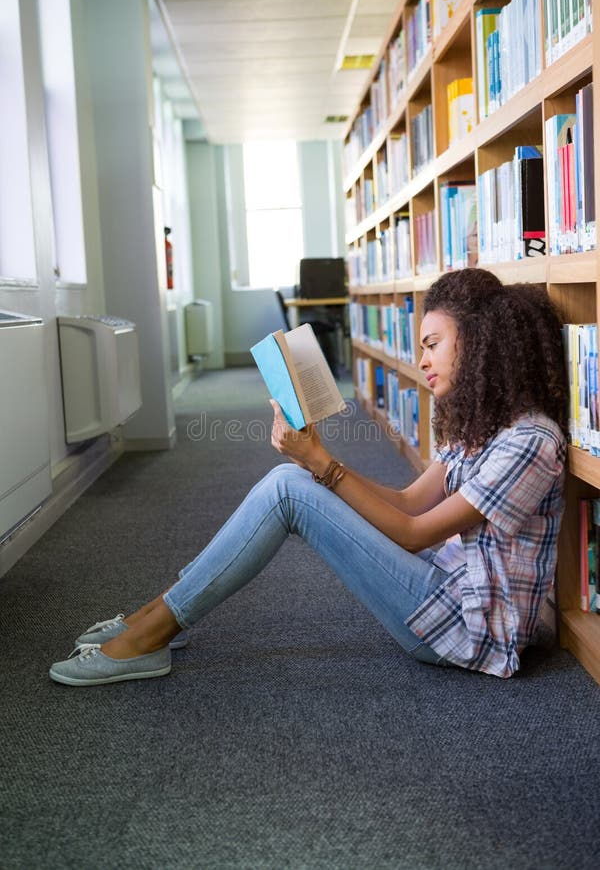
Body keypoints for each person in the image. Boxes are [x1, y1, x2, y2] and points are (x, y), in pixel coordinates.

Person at [49, 268, 569, 686]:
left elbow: (414, 534)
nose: (421, 360)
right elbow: (411, 502)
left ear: (477, 343)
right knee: (291, 481)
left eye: (432, 344)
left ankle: (151, 634)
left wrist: (322, 465)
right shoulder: (483, 427)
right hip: (445, 588)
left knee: (287, 488)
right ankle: (153, 618)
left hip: (468, 630)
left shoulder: (530, 442)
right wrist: (316, 462)